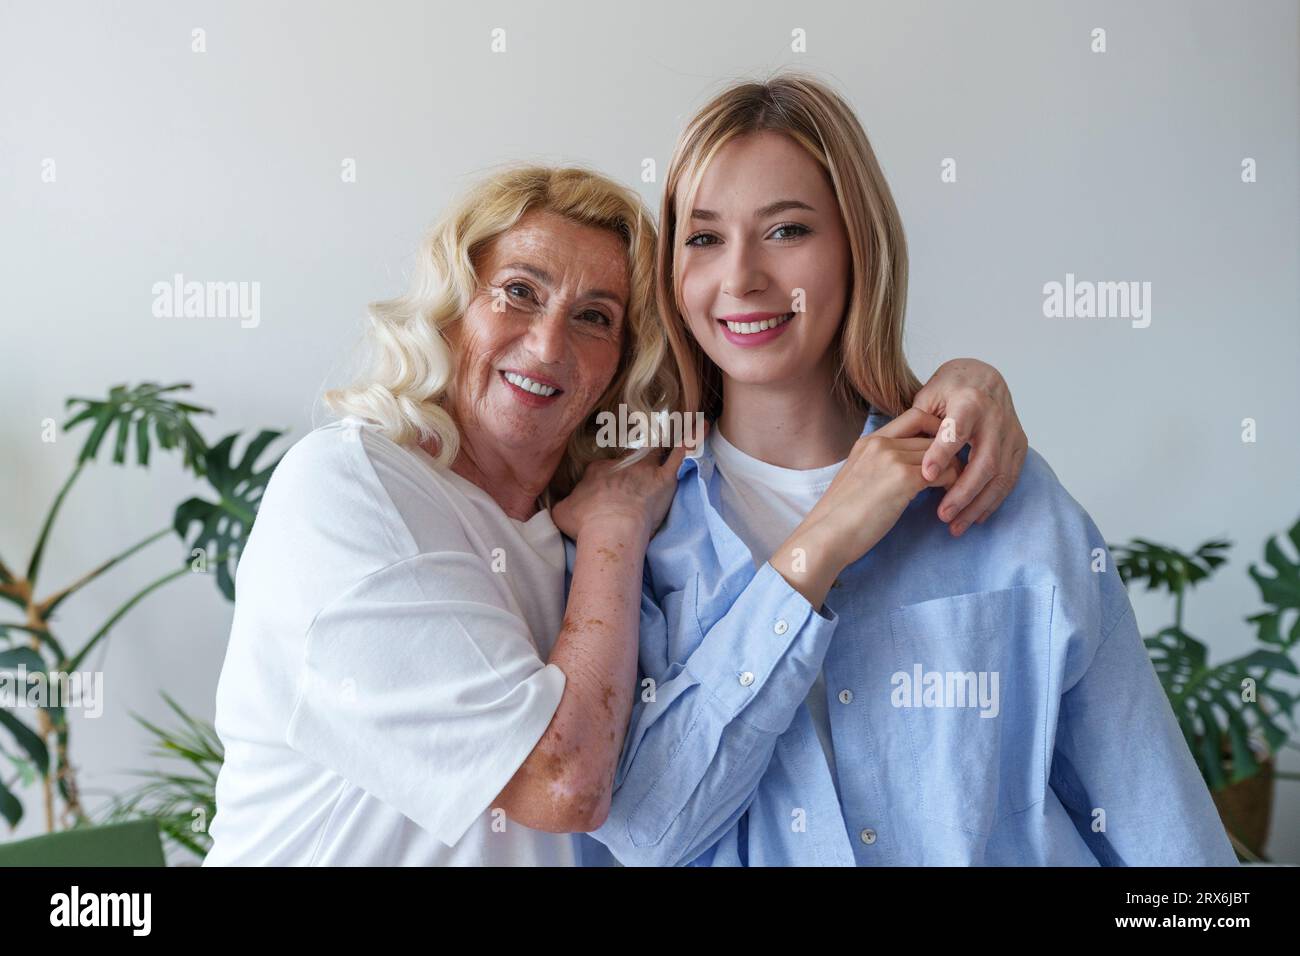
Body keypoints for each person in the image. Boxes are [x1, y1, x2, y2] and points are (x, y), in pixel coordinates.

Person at [204, 161, 1028, 866]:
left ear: (621, 363)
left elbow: (768, 369)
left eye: (594, 318)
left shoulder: (603, 510)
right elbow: (563, 783)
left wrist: (966, 381)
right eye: (518, 292)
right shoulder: (354, 487)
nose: (548, 345)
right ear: (453, 308)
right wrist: (612, 536)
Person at [588, 74, 1238, 866]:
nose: (741, 277)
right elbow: (647, 833)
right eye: (703, 238)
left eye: (787, 230)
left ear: (858, 245)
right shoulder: (632, 526)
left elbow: (1160, 825)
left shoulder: (995, 490)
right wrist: (818, 548)